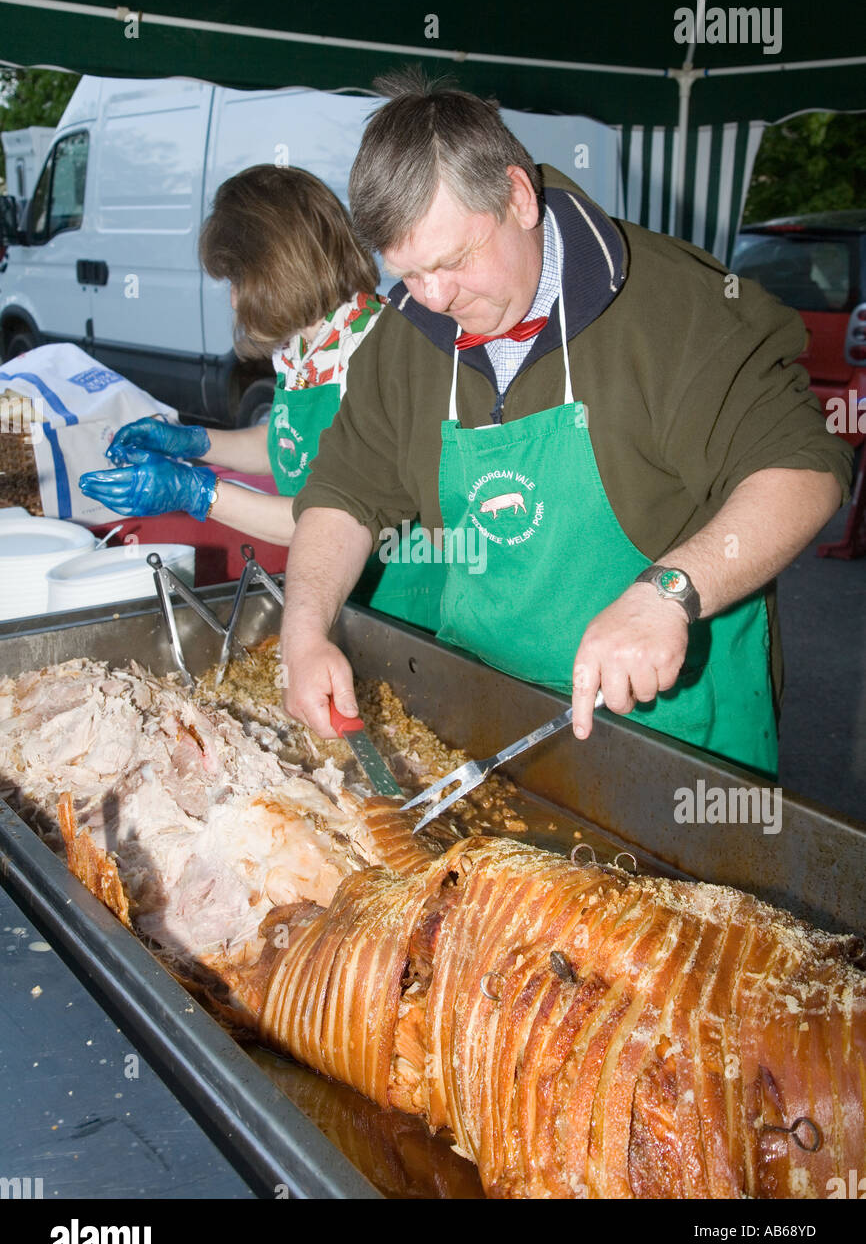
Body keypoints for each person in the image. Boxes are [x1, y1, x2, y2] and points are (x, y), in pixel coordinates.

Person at [278, 70, 853, 776]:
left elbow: (804, 470)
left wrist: (668, 593)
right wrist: (303, 633)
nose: (433, 296)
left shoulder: (674, 307)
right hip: (488, 722)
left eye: (453, 261)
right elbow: (344, 493)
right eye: (410, 271)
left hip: (679, 738)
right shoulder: (407, 332)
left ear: (518, 197)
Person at [78, 164, 445, 630]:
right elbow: (286, 446)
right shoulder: (303, 347)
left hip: (402, 604)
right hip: (340, 593)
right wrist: (189, 442)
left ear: (278, 269)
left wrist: (197, 492)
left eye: (238, 280)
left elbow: (325, 521)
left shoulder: (372, 346)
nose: (234, 300)